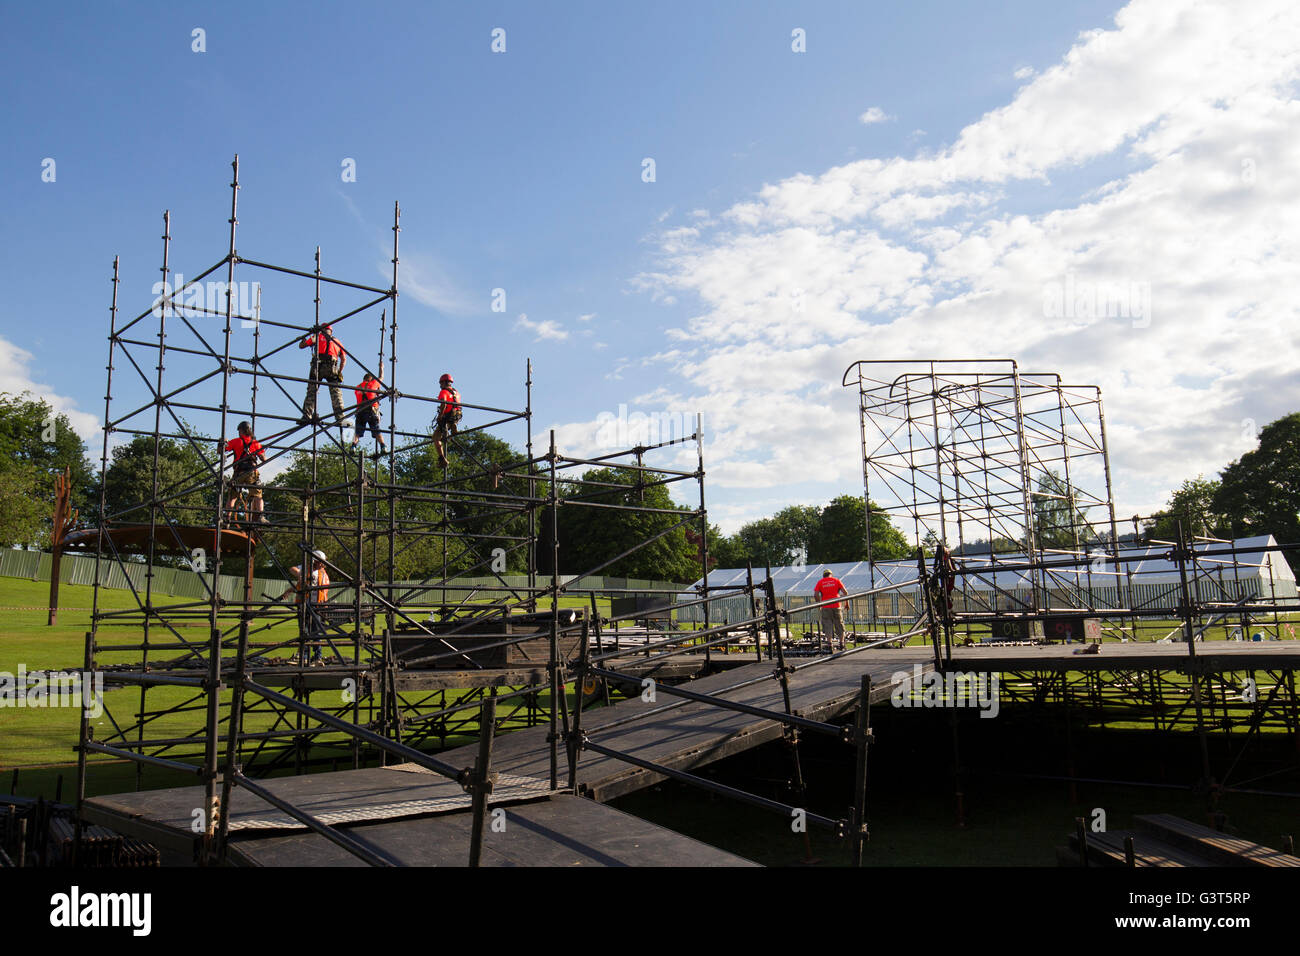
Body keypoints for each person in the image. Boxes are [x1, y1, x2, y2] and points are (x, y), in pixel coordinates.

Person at [279, 549, 331, 664]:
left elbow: (323, 592)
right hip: (304, 605)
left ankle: (317, 657)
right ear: (315, 561)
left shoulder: (323, 573)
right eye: (320, 562)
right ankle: (304, 656)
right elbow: (293, 569)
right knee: (305, 631)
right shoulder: (306, 568)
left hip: (317, 607)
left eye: (323, 562)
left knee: (316, 632)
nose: (322, 564)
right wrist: (298, 576)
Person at [298, 324, 351, 427]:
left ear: (322, 330)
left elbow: (301, 346)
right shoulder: (337, 341)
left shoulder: (316, 337)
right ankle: (340, 417)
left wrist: (303, 340)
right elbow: (344, 359)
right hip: (332, 368)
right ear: (330, 331)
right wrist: (339, 371)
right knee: (336, 393)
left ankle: (306, 416)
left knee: (312, 391)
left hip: (317, 367)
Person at [223, 421, 268, 524]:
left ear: (242, 430)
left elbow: (221, 450)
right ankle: (261, 516)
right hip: (251, 472)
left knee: (233, 496)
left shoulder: (236, 441)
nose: (238, 433)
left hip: (239, 472)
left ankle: (227, 518)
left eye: (239, 431)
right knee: (258, 495)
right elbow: (263, 459)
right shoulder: (255, 443)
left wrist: (222, 442)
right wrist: (261, 451)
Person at [349, 364, 387, 458]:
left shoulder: (357, 387)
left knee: (358, 432)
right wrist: (381, 367)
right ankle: (383, 446)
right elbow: (381, 377)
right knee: (376, 430)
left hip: (360, 411)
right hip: (371, 411)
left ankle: (353, 447)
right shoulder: (373, 384)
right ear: (370, 379)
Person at [812, 568, 848, 651]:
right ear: (831, 574)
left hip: (825, 606)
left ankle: (830, 643)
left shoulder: (820, 582)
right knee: (839, 624)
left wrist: (819, 604)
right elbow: (845, 593)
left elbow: (816, 594)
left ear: (823, 575)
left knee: (827, 625)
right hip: (837, 605)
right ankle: (842, 643)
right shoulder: (836, 580)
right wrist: (847, 603)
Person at [433, 372, 462, 467]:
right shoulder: (456, 393)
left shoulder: (443, 392)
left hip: (447, 417)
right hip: (457, 416)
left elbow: (444, 404)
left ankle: (442, 459)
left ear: (444, 382)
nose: (440, 386)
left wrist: (440, 416)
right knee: (444, 433)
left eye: (441, 383)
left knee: (435, 437)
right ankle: (453, 425)